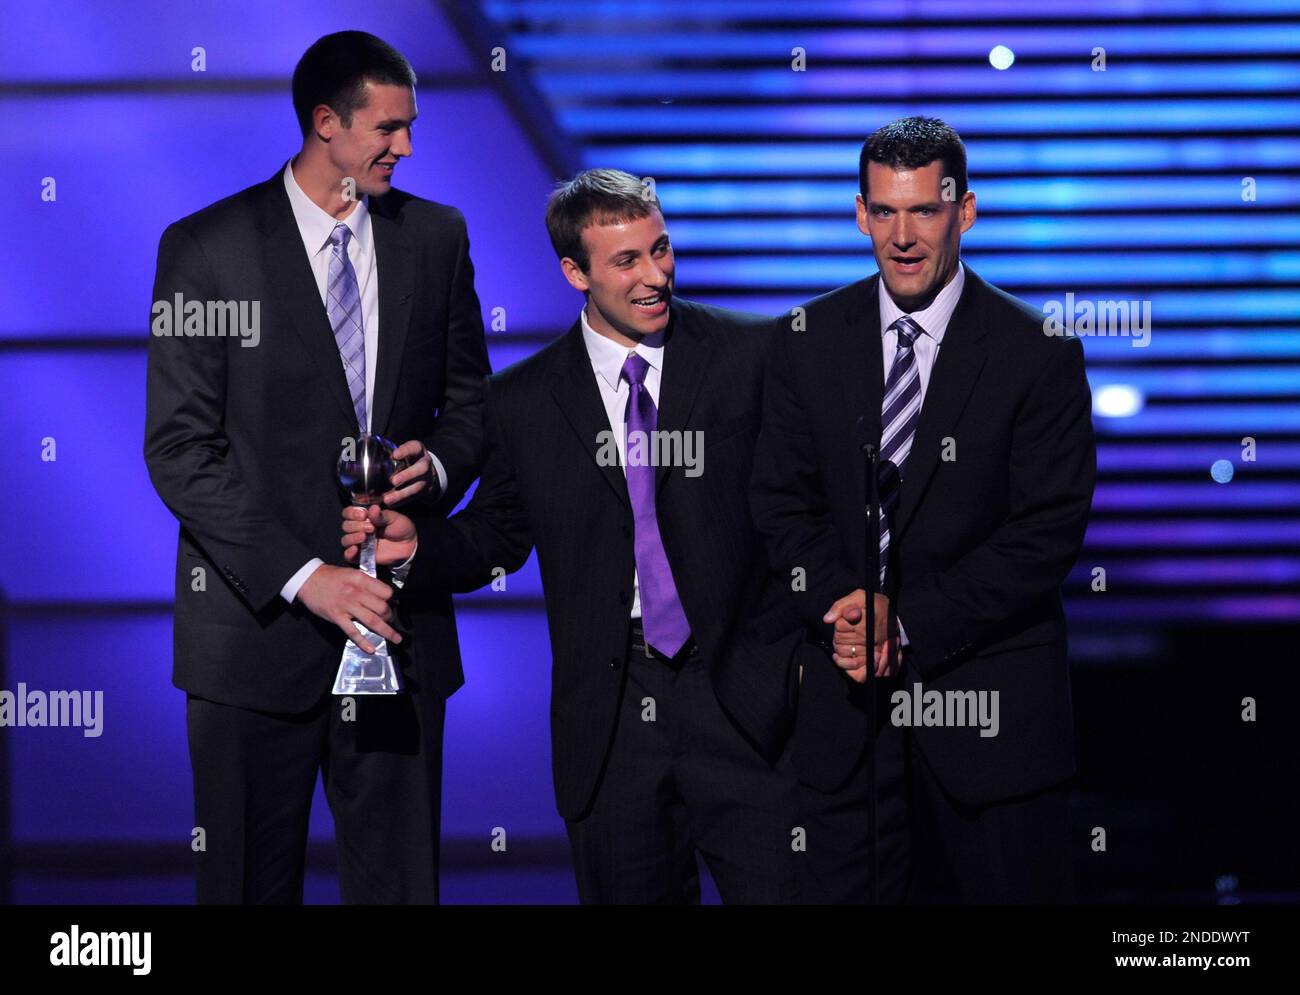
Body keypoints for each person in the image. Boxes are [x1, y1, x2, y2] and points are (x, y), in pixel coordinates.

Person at [343, 169, 802, 904]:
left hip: (743, 700)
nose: (655, 276)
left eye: (661, 250)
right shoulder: (523, 400)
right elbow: (498, 533)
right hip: (611, 719)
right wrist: (418, 547)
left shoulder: (753, 354)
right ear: (574, 272)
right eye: (627, 261)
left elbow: (801, 510)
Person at [144, 31, 490, 904]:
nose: (405, 147)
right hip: (253, 643)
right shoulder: (207, 249)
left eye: (410, 127)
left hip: (396, 634)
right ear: (325, 124)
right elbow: (180, 449)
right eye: (388, 127)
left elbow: (473, 405)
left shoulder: (435, 237)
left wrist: (434, 478)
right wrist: (308, 577)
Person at [751, 116, 1096, 903]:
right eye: (884, 211)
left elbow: (1044, 534)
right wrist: (846, 604)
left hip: (991, 726)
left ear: (964, 211)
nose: (902, 237)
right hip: (847, 725)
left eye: (925, 211)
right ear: (860, 213)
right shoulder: (805, 341)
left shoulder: (1036, 352)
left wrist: (902, 624)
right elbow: (778, 502)